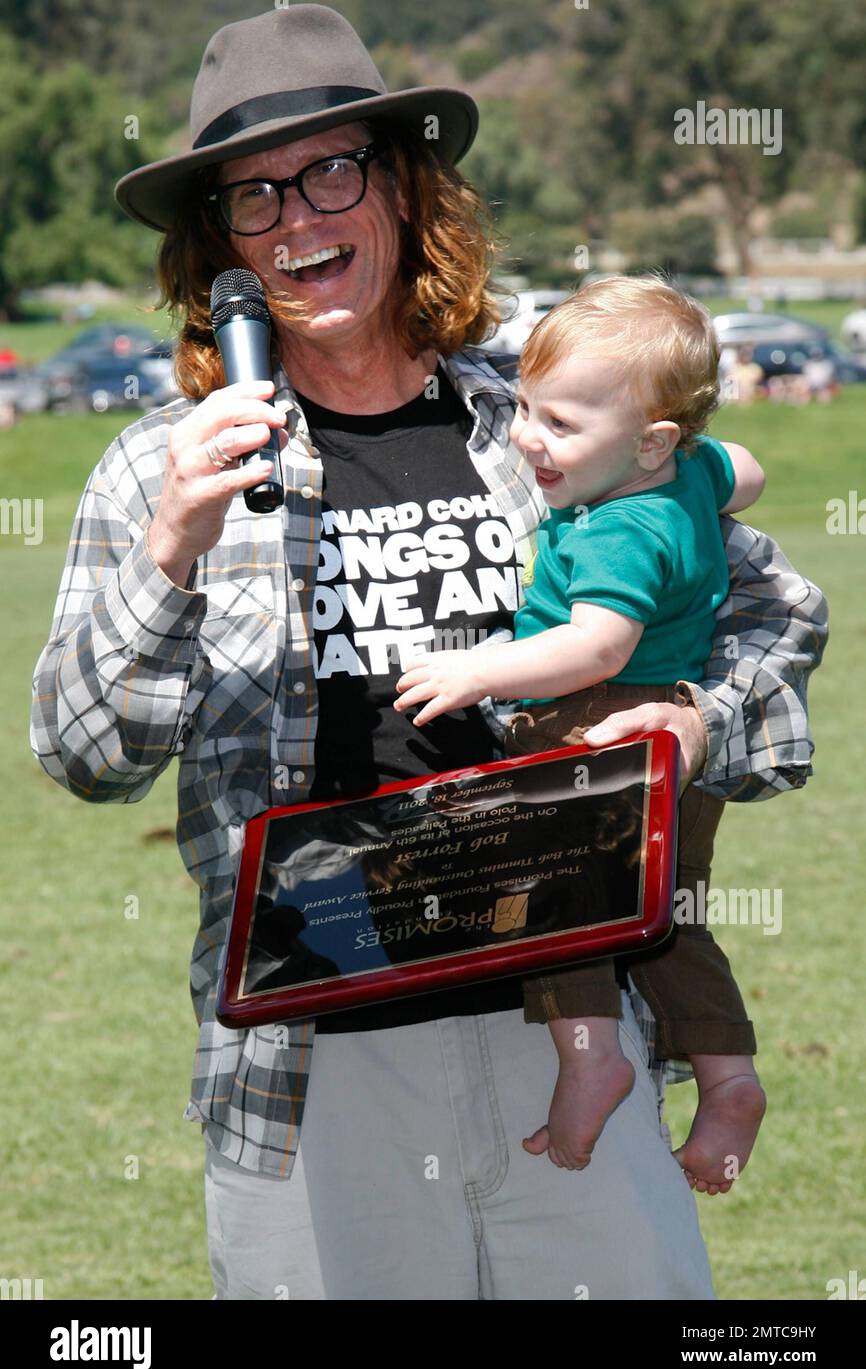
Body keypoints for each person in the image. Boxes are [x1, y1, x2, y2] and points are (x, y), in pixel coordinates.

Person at [30, 6, 828, 1300]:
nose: (298, 219)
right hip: (309, 1065)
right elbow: (79, 752)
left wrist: (696, 727)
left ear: (400, 191)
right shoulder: (159, 466)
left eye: (331, 171)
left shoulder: (551, 408)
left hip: (567, 1027)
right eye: (252, 197)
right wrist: (173, 543)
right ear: (216, 246)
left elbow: (772, 610)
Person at [395, 274, 768, 1194]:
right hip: (672, 739)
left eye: (560, 425)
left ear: (649, 442)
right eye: (525, 407)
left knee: (554, 904)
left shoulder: (614, 527)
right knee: (670, 917)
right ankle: (729, 1077)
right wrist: (700, 480)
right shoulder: (685, 473)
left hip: (593, 725)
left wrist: (473, 670)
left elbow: (595, 644)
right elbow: (746, 470)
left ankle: (592, 1057)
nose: (528, 437)